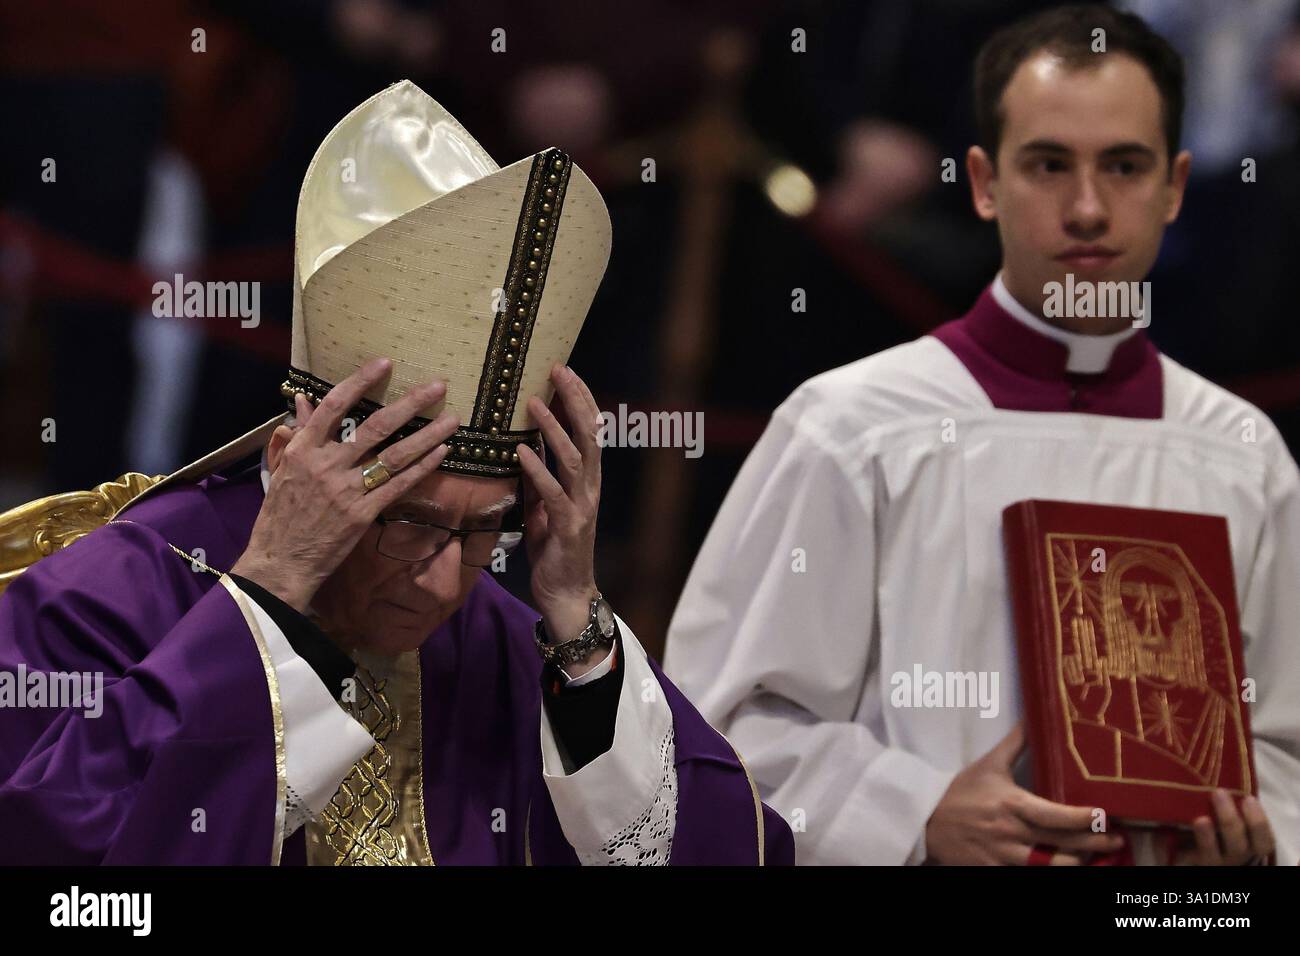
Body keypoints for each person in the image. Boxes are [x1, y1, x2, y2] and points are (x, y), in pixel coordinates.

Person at [0, 80, 793, 866]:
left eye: (487, 529)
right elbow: (67, 860)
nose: (445, 583)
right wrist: (270, 595)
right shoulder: (108, 595)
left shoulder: (499, 639)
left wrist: (578, 624)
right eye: (410, 519)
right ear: (294, 461)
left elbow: (717, 850)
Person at [664, 5, 1300, 866]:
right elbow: (716, 730)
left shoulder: (1243, 453)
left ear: (1176, 187)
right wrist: (914, 817)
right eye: (1048, 165)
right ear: (984, 181)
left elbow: (1284, 751)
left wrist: (1247, 849)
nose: (1086, 208)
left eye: (1124, 166)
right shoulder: (851, 428)